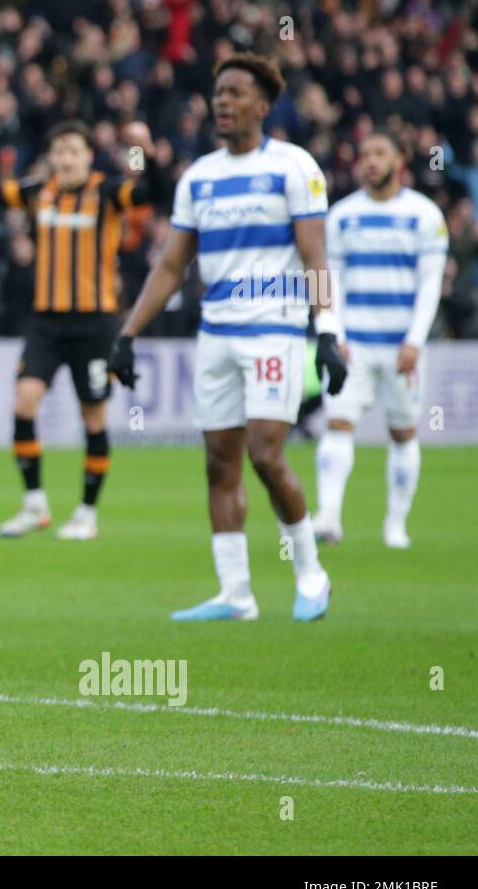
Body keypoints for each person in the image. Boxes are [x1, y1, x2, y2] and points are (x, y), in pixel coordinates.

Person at [108, 53, 349, 622]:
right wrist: (127, 333)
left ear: (262, 106)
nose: (223, 102)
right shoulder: (200, 177)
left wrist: (328, 332)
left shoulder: (295, 167)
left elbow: (315, 254)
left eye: (236, 93)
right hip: (215, 334)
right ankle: (236, 594)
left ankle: (311, 571)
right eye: (218, 93)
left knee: (266, 455)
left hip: (275, 332)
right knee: (220, 464)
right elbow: (170, 267)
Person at [0, 118, 167, 540]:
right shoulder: (38, 192)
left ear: (87, 157)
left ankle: (87, 513)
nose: (65, 159)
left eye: (73, 151)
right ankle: (34, 503)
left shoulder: (109, 192)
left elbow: (155, 192)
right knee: (24, 404)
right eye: (59, 151)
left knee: (92, 416)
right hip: (46, 321)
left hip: (95, 322)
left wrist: (146, 152)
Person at [314, 131, 448, 549]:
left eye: (380, 153)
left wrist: (415, 340)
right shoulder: (340, 216)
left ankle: (395, 526)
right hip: (353, 345)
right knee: (338, 424)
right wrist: (333, 331)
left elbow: (430, 284)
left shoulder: (424, 216)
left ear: (400, 160)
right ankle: (329, 519)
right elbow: (327, 278)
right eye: (365, 153)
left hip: (400, 346)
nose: (370, 161)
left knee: (403, 432)